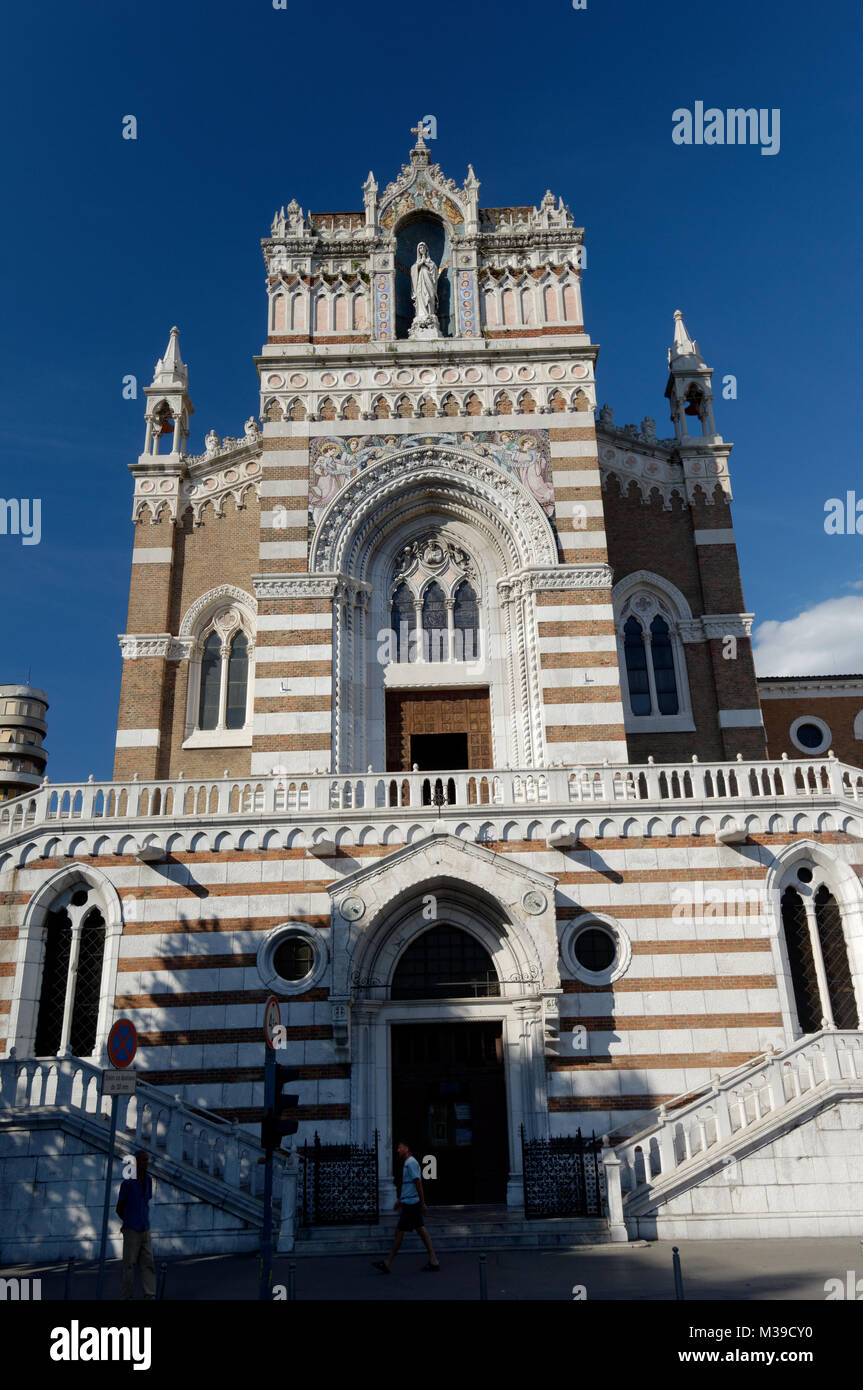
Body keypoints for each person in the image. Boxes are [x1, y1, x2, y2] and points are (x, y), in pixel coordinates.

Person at [372, 1141, 440, 1273]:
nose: (397, 1150)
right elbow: (408, 1186)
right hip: (409, 1203)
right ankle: (434, 1260)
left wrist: (422, 1203)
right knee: (420, 1231)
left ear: (407, 1149)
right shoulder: (408, 1163)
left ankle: (387, 1262)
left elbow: (418, 1183)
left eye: (400, 1147)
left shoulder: (411, 1163)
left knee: (400, 1233)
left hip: (411, 1205)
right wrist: (400, 1200)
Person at [116, 1148, 156, 1300]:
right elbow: (119, 1208)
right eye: (144, 1160)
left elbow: (146, 1201)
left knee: (148, 1262)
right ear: (136, 1162)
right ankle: (127, 1296)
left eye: (147, 1160)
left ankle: (150, 1294)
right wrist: (129, 1221)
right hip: (132, 1228)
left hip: (145, 1228)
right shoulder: (127, 1184)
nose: (146, 1163)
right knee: (129, 1265)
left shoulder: (148, 1180)